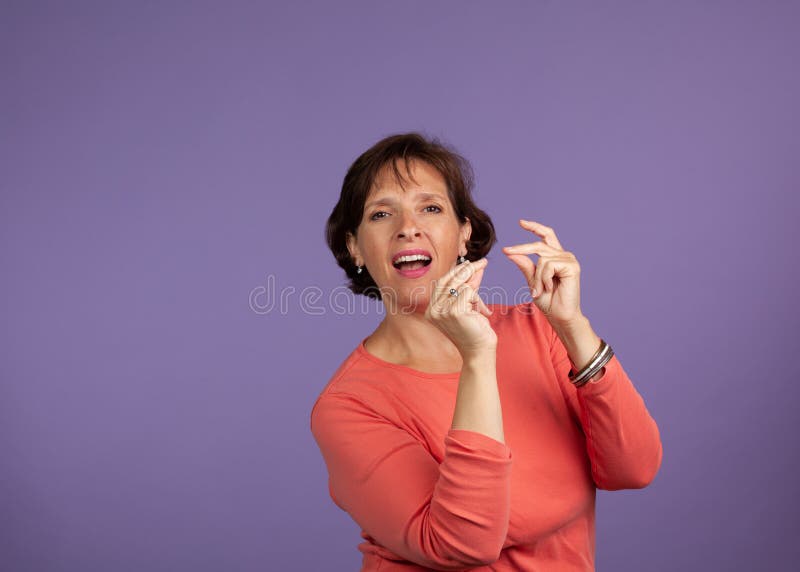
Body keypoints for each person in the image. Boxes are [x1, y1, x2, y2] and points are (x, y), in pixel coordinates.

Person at [310, 132, 662, 571]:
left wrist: (572, 327)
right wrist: (477, 358)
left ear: (463, 235)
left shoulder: (537, 331)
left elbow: (634, 468)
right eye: (382, 214)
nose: (408, 227)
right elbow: (462, 544)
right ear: (354, 246)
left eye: (431, 208)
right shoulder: (348, 406)